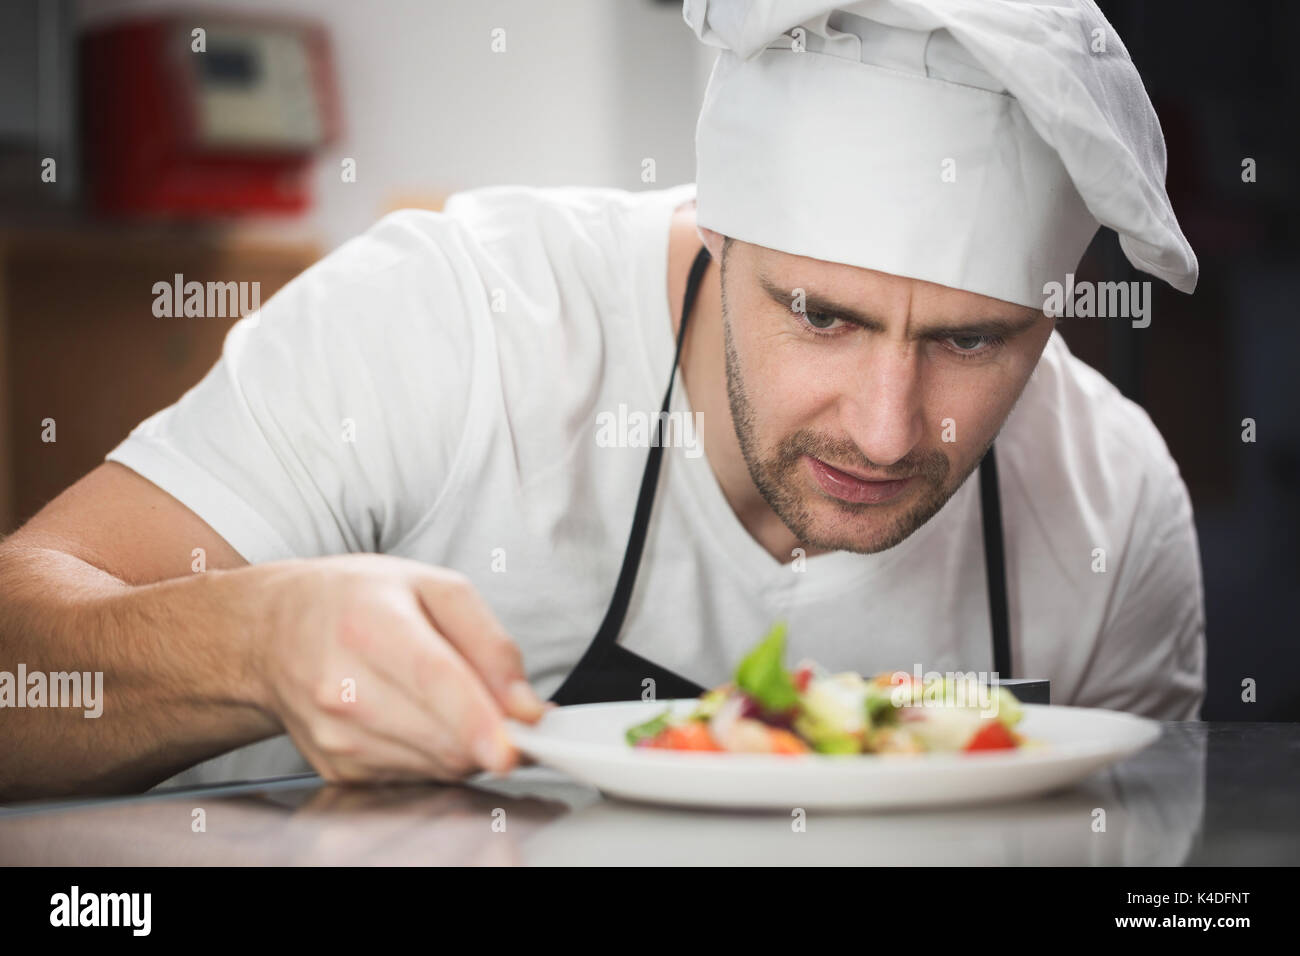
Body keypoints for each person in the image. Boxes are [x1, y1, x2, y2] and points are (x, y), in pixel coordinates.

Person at [0, 0, 1204, 800]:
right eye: (820, 316)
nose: (887, 428)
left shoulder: (1115, 505)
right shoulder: (453, 317)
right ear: (716, 231)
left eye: (973, 340)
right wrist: (255, 644)